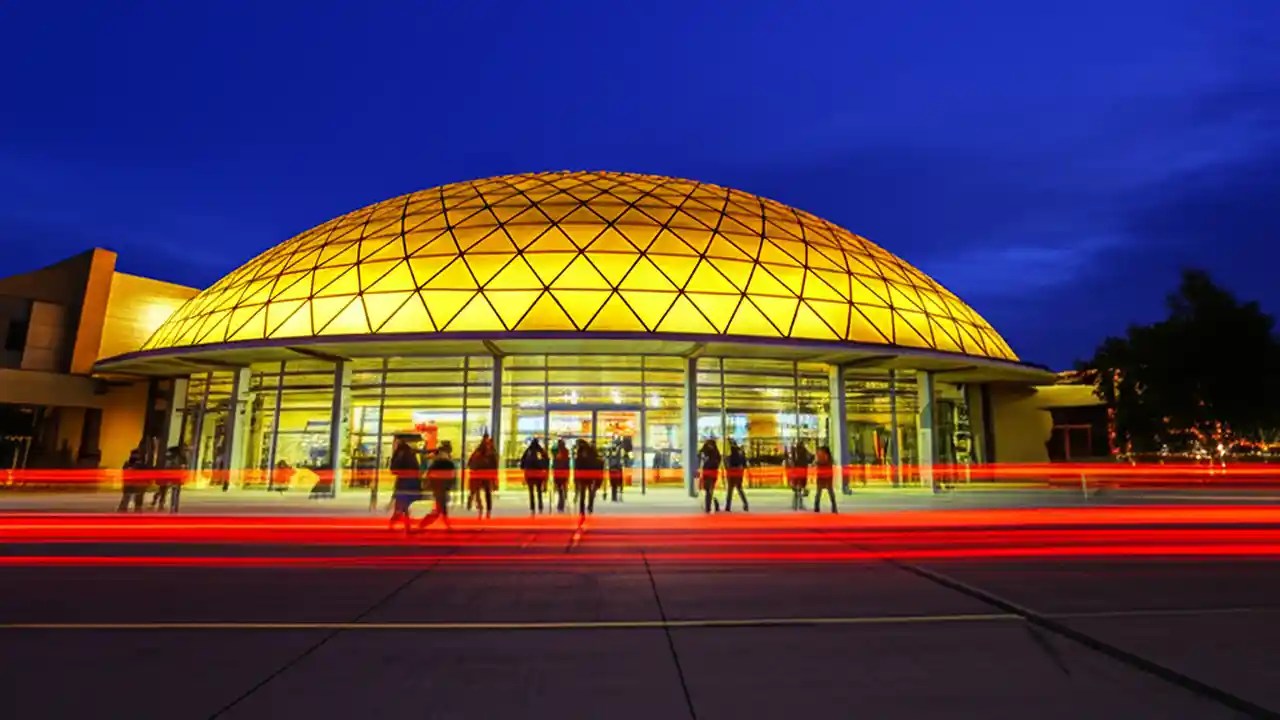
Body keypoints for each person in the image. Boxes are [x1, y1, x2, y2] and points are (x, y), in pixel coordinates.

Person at [419, 441, 456, 530]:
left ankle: (447, 526)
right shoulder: (444, 460)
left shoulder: (440, 459)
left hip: (439, 485)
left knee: (440, 507)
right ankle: (422, 525)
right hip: (440, 485)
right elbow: (450, 474)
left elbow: (430, 470)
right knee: (440, 508)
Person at [387, 438, 422, 534]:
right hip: (410, 482)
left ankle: (399, 526)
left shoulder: (401, 453)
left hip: (404, 482)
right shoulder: (410, 453)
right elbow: (416, 469)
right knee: (403, 505)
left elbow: (393, 468)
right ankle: (404, 527)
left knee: (401, 505)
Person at [467, 434, 498, 519]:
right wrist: (494, 478)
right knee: (485, 492)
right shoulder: (490, 453)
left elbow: (469, 463)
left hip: (480, 475)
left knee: (478, 491)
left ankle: (481, 507)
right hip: (485, 475)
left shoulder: (478, 452)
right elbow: (494, 465)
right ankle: (485, 509)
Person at [520, 438, 549, 514]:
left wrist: (523, 468)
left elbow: (522, 460)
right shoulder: (540, 450)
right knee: (539, 490)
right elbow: (546, 459)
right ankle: (540, 505)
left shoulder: (528, 450)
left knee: (531, 491)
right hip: (539, 474)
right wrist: (545, 469)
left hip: (530, 474)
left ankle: (532, 507)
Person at [117, 444, 149, 512]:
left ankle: (123, 510)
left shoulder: (129, 464)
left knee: (128, 499)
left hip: (132, 484)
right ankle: (135, 510)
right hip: (136, 485)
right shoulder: (141, 465)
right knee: (136, 501)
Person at [723, 439, 749, 512]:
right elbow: (744, 464)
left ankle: (728, 506)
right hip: (739, 473)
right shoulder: (741, 452)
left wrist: (726, 464)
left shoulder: (729, 452)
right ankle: (745, 504)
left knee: (730, 490)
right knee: (739, 489)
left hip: (731, 473)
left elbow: (727, 464)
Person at [787, 441, 812, 511]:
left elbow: (791, 461)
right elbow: (810, 458)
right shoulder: (804, 451)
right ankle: (799, 504)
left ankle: (795, 504)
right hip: (803, 472)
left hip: (796, 472)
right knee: (800, 488)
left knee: (797, 489)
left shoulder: (795, 452)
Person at [698, 438, 721, 513]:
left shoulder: (704, 451)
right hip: (711, 472)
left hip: (708, 472)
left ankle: (708, 506)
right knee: (709, 490)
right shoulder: (715, 451)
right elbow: (719, 460)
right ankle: (713, 504)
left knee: (708, 490)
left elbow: (699, 458)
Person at [814, 446, 837, 513]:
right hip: (828, 477)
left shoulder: (820, 456)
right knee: (830, 493)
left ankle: (816, 507)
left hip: (821, 477)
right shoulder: (829, 457)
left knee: (818, 493)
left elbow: (817, 463)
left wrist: (816, 463)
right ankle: (834, 508)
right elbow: (832, 463)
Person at [552, 439, 571, 512]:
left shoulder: (556, 452)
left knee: (560, 489)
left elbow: (555, 463)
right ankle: (562, 500)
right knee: (563, 487)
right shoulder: (565, 451)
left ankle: (561, 504)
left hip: (558, 473)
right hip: (564, 473)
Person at [606, 437, 625, 502]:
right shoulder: (620, 450)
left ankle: (614, 497)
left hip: (612, 469)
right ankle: (617, 496)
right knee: (618, 482)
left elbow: (608, 458)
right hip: (617, 469)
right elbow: (622, 459)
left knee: (614, 483)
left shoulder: (611, 450)